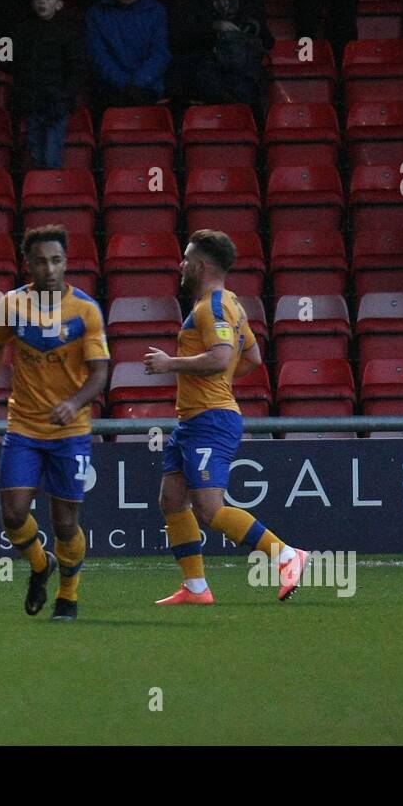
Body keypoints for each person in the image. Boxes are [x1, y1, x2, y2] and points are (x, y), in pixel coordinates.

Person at [144, 231, 309, 604]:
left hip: (211, 419)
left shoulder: (212, 308)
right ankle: (196, 588)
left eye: (186, 259)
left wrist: (171, 364)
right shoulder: (230, 303)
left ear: (201, 266)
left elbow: (221, 359)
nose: (181, 265)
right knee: (172, 499)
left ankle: (285, 554)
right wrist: (215, 379)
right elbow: (249, 357)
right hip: (192, 420)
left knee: (208, 506)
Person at [0, 225, 111, 622]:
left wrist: (75, 402)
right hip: (24, 427)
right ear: (27, 264)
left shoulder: (85, 310)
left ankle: (68, 595)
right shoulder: (13, 305)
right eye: (41, 261)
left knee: (65, 523)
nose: (50, 268)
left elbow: (100, 372)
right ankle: (39, 564)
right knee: (13, 514)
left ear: (66, 262)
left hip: (71, 431)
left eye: (57, 260)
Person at [0, 0, 85, 170]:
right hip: (32, 103)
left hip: (56, 104)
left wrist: (64, 96)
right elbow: (10, 62)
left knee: (51, 157)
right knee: (36, 153)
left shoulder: (69, 33)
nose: (42, 2)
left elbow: (78, 69)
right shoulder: (22, 30)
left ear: (59, 4)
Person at [168, 0, 273, 116]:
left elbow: (268, 40)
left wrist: (251, 28)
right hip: (202, 62)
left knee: (248, 84)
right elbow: (178, 39)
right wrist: (213, 29)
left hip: (240, 64)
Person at [85, 0, 171, 110]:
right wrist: (124, 83)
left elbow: (160, 53)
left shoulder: (155, 11)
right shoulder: (96, 14)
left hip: (148, 85)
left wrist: (138, 82)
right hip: (111, 87)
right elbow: (98, 55)